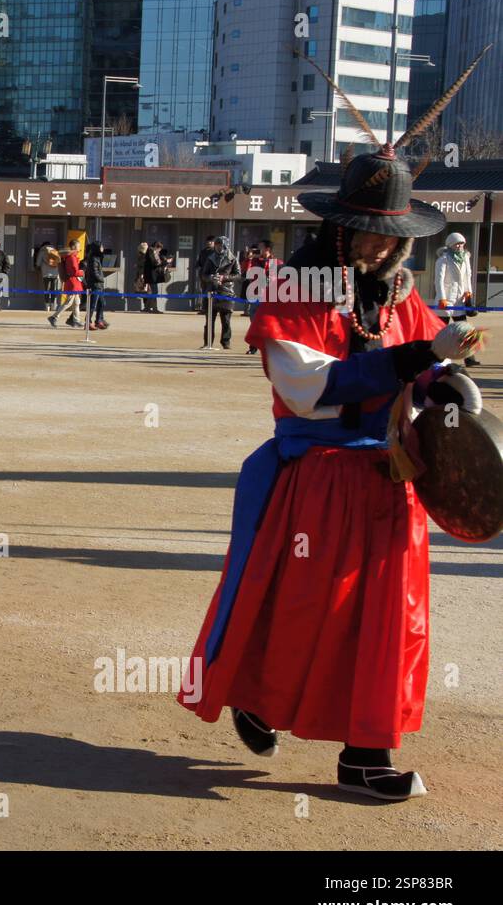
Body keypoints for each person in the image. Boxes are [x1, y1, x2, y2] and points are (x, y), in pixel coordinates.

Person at [178, 55, 488, 801]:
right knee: (303, 611)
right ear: (339, 228)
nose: (379, 248)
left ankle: (366, 753)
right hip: (316, 482)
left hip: (391, 483)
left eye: (391, 237)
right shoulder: (289, 292)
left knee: (390, 619)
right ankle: (258, 696)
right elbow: (315, 389)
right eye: (367, 234)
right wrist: (418, 354)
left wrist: (451, 383)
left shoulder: (402, 296)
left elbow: (422, 368)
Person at [434, 232, 479, 367]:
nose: (460, 246)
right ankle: (436, 356)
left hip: (459, 300)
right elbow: (439, 280)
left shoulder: (465, 257)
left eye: (462, 243)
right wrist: (442, 298)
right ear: (450, 245)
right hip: (446, 301)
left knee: (465, 330)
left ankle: (469, 358)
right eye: (457, 243)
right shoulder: (443, 259)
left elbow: (468, 276)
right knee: (440, 331)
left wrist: (468, 292)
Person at [200, 235, 239, 349]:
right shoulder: (210, 258)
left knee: (226, 320)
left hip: (227, 292)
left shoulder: (233, 258)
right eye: (217, 244)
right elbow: (203, 274)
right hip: (211, 292)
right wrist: (211, 277)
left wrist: (225, 277)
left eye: (221, 244)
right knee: (209, 320)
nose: (219, 247)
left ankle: (226, 343)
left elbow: (238, 275)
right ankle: (208, 343)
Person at [49, 238, 83, 328]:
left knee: (76, 302)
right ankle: (54, 317)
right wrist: (82, 272)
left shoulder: (72, 256)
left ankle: (76, 320)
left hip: (72, 282)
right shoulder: (71, 257)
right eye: (79, 246)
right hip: (72, 282)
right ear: (74, 247)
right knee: (69, 302)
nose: (80, 248)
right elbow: (74, 272)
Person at [83, 240, 108, 330]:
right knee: (92, 305)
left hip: (99, 285)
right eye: (101, 246)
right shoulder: (93, 259)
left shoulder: (97, 257)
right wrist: (101, 279)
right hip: (95, 285)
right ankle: (88, 322)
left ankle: (99, 321)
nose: (102, 248)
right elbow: (94, 272)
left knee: (102, 303)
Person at [35, 241, 59, 310]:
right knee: (54, 290)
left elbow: (38, 263)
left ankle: (47, 306)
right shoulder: (55, 250)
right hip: (55, 273)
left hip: (46, 273)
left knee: (47, 290)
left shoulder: (42, 251)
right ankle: (53, 306)